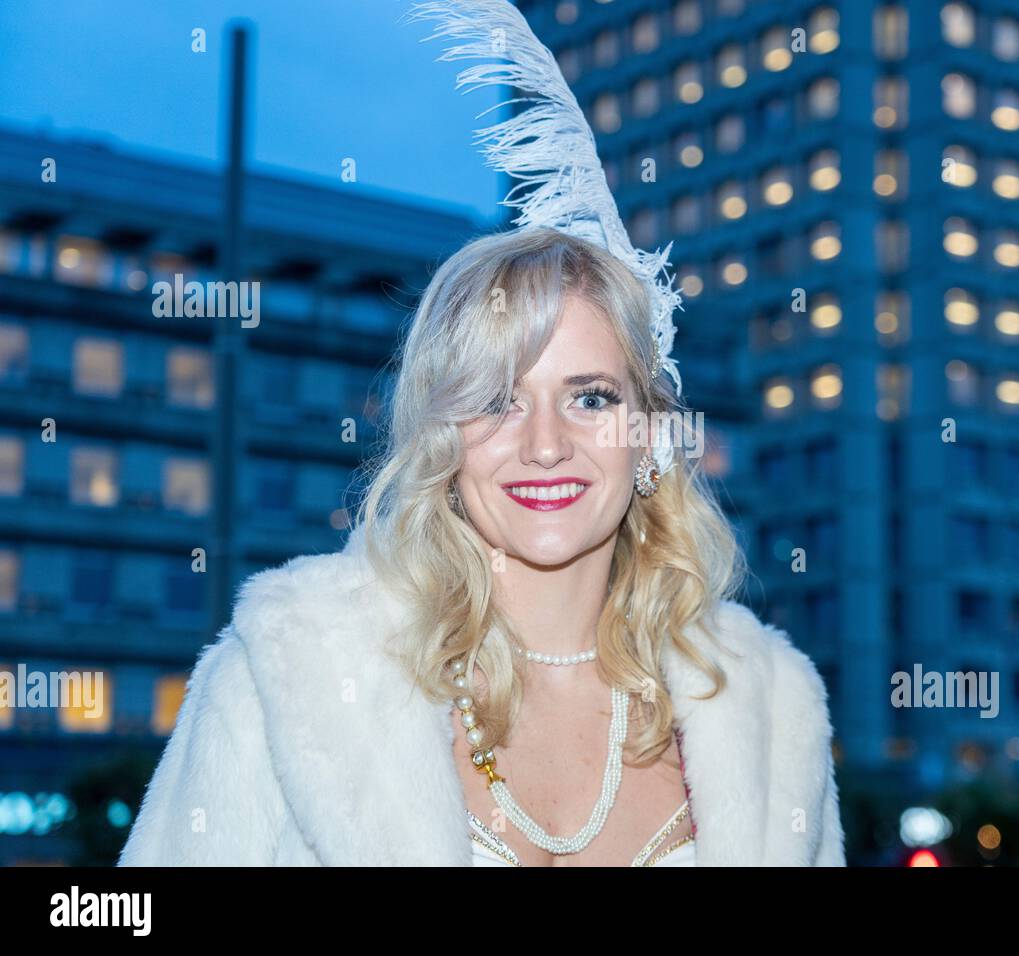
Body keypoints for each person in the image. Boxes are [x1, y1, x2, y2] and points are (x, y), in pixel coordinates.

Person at [118, 0, 845, 867]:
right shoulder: (288, 676)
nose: (544, 444)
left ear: (650, 435)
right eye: (497, 400)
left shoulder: (771, 709)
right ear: (442, 438)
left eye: (591, 398)